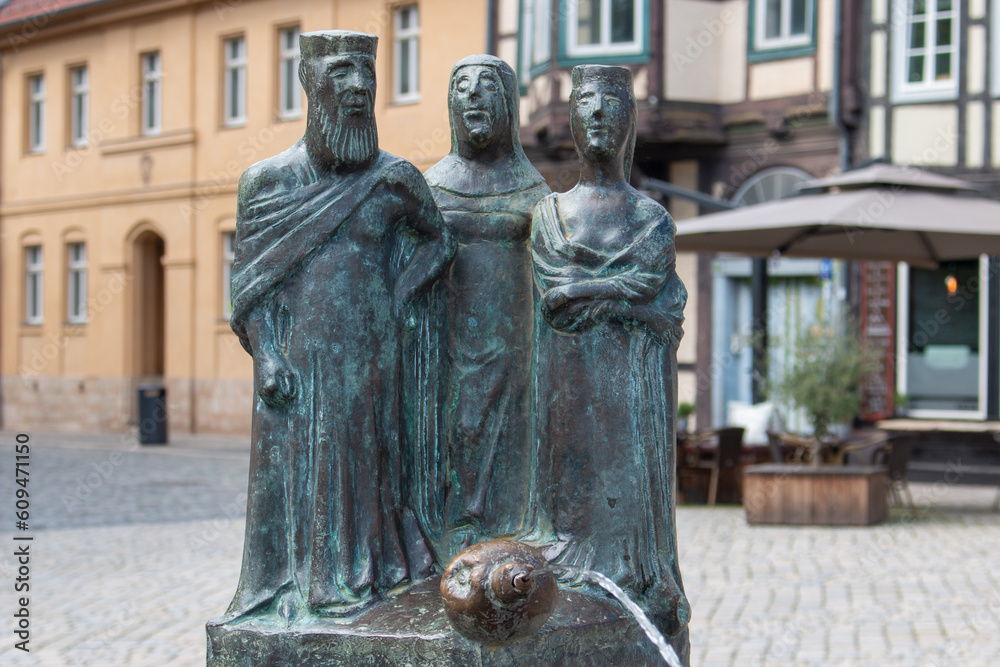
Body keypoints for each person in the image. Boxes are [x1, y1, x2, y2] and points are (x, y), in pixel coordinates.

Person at [222, 30, 452, 624]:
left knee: (373, 462)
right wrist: (268, 354)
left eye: (366, 75)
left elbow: (437, 242)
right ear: (310, 81)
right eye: (341, 73)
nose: (357, 87)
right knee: (305, 471)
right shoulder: (268, 182)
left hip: (375, 353)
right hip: (300, 357)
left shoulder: (396, 178)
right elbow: (251, 285)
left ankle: (370, 575)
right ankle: (305, 583)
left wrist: (399, 300)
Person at [528, 64, 691, 659]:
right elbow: (555, 298)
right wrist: (615, 293)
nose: (598, 116)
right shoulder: (548, 216)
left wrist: (587, 288)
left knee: (630, 503)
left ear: (630, 123)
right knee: (568, 497)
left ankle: (635, 578)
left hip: (634, 389)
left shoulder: (650, 219)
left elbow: (654, 293)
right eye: (587, 104)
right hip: (567, 384)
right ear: (570, 117)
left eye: (612, 106)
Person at [420, 55, 550, 562]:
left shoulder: (533, 189)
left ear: (509, 105)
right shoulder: (432, 186)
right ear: (450, 104)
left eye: (487, 86)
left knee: (516, 439)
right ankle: (455, 528)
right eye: (462, 86)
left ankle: (510, 533)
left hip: (519, 346)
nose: (473, 95)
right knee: (459, 429)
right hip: (448, 344)